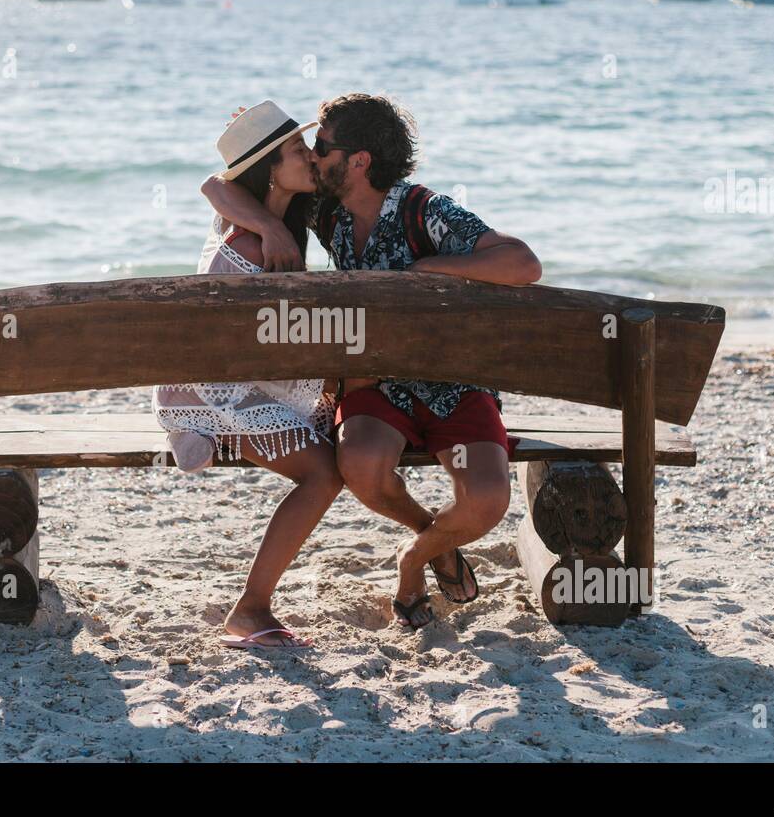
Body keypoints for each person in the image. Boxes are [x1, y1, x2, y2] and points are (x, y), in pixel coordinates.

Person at [201, 93, 542, 629]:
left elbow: (523, 263)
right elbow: (217, 185)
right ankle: (433, 536)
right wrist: (268, 229)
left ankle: (414, 561)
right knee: (358, 466)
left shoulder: (424, 210)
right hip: (376, 386)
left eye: (323, 146)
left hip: (452, 384)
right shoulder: (325, 210)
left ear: (358, 160)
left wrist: (430, 271)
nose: (312, 156)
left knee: (486, 499)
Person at [153, 101, 342, 649]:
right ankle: (250, 608)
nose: (309, 157)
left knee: (346, 443)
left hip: (214, 377)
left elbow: (216, 185)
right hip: (218, 389)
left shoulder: (263, 226)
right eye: (296, 152)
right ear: (267, 170)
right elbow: (244, 349)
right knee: (325, 473)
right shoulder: (253, 242)